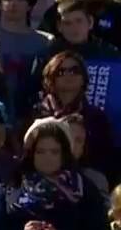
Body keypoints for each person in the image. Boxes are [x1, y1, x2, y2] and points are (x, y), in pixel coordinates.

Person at [29, 51, 117, 186]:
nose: (68, 75)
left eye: (74, 71)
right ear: (51, 78)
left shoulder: (96, 118)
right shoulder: (37, 113)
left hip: (85, 182)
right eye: (61, 72)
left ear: (83, 78)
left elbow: (106, 160)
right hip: (40, 180)